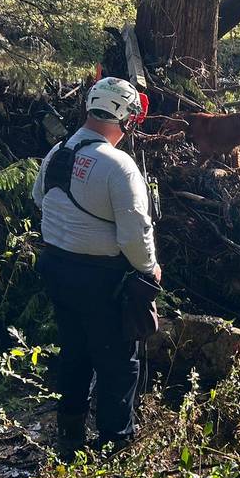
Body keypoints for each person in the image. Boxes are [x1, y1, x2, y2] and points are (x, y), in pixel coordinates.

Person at [31, 77, 161, 455]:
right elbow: (135, 234)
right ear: (126, 118)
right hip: (102, 281)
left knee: (75, 351)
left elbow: (42, 200)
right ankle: (114, 446)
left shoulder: (57, 153)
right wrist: (150, 269)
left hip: (56, 269)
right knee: (118, 364)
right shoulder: (120, 166)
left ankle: (69, 434)